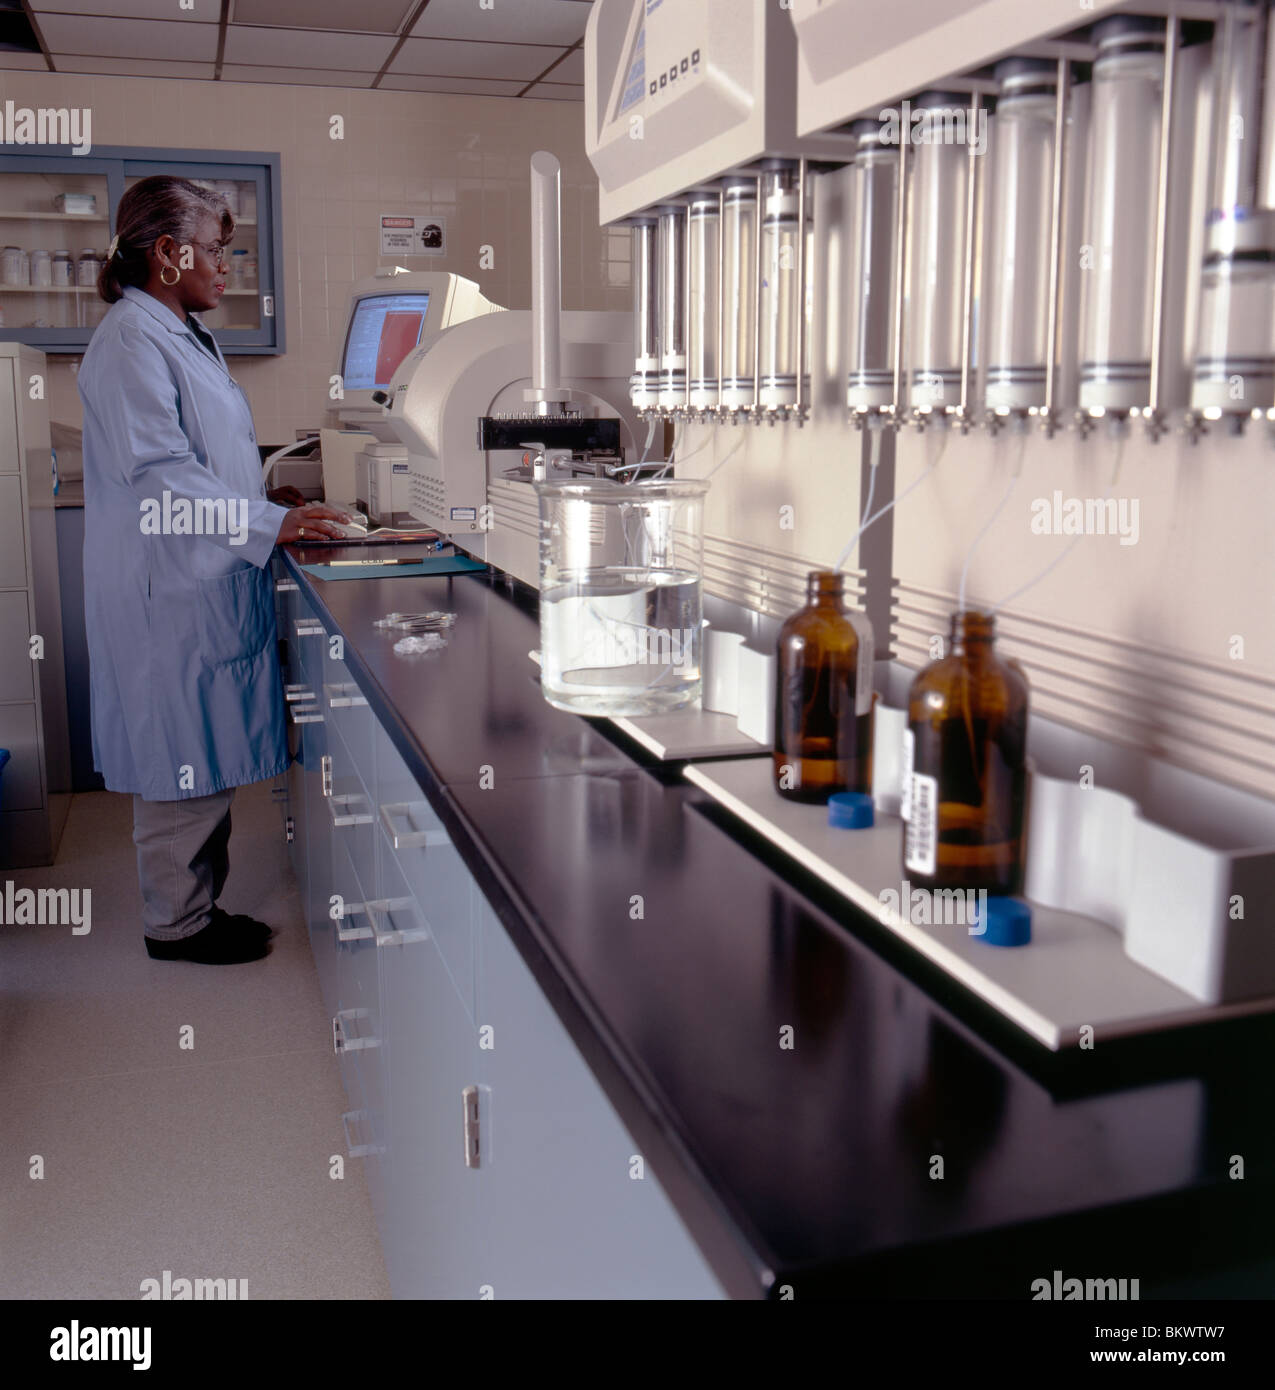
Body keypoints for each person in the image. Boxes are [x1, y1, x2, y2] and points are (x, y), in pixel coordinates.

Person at [78, 175, 350, 964]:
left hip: (195, 572)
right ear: (168, 253)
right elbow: (163, 472)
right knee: (178, 760)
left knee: (198, 752)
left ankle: (193, 908)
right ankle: (176, 926)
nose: (228, 265)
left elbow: (202, 462)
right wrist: (270, 522)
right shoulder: (132, 341)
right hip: (168, 589)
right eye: (219, 248)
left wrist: (272, 498)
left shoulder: (176, 335)